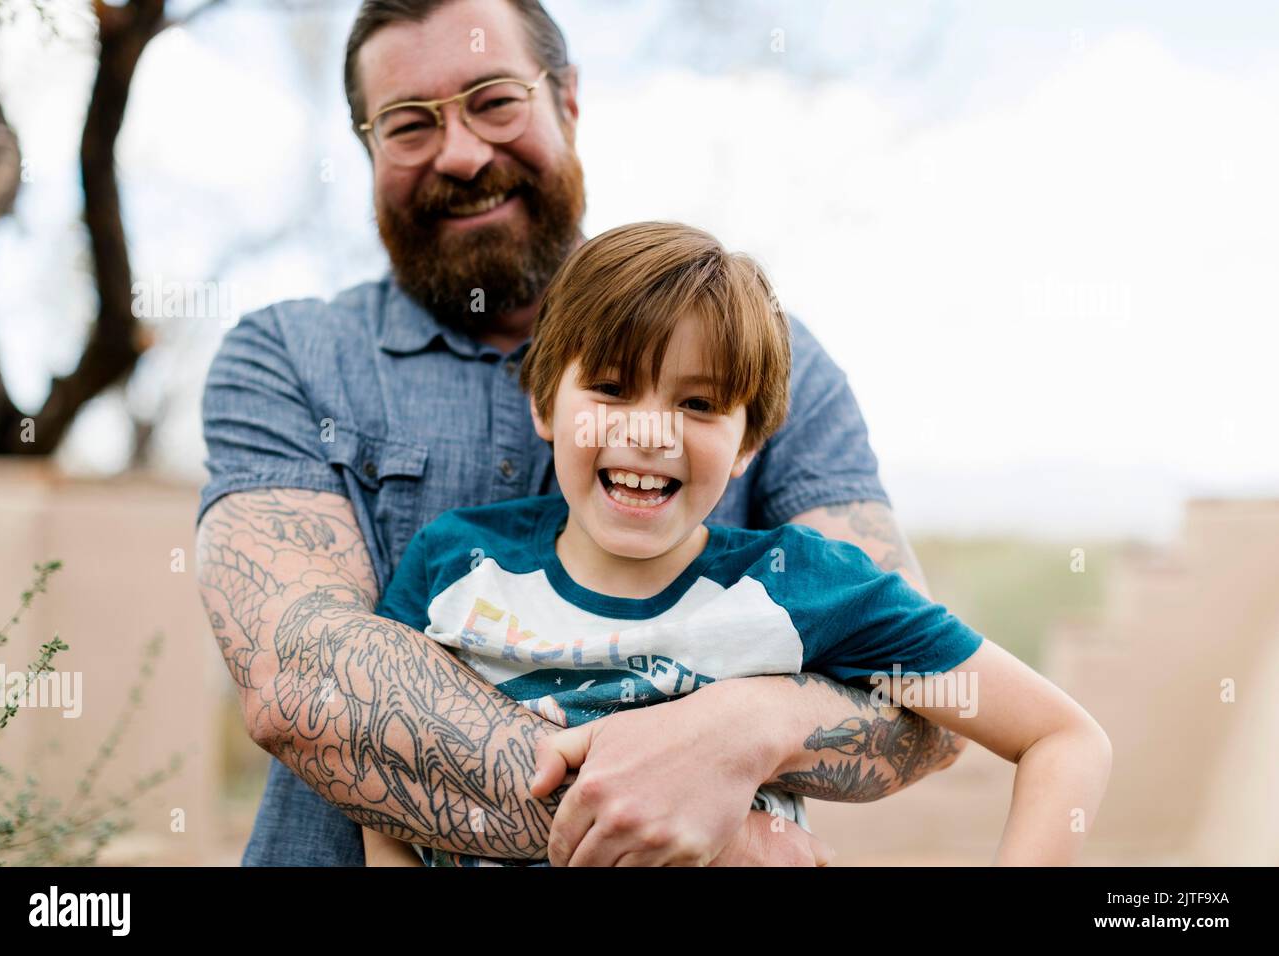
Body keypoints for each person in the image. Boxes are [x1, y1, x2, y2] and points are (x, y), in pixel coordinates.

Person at [196, 0, 974, 867]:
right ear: (368, 148)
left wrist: (759, 722)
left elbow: (929, 707)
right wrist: (713, 841)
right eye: (408, 124)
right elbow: (304, 684)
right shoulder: (288, 360)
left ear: (568, 100)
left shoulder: (766, 367)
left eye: (495, 101)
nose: (460, 154)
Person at [360, 222, 1112, 866]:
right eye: (614, 389)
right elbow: (373, 767)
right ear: (544, 401)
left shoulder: (802, 587)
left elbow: (1064, 738)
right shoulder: (453, 567)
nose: (650, 433)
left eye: (697, 403)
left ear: (750, 441)